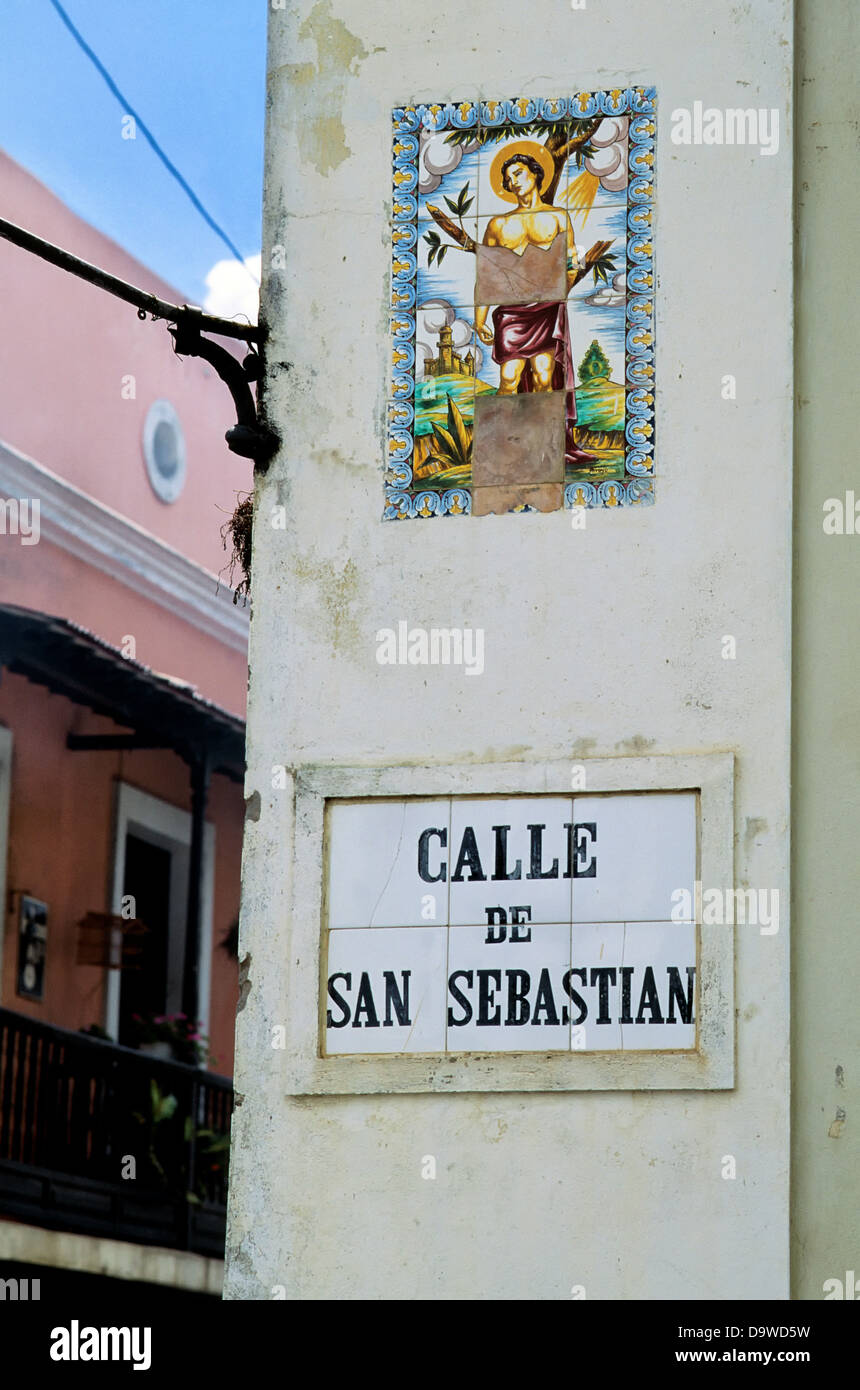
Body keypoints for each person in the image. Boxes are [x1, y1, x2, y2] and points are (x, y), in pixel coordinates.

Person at [474, 150, 594, 465]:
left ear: (535, 174)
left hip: (547, 308)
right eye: (508, 177)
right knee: (509, 378)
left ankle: (543, 447)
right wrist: (479, 318)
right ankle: (500, 445)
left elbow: (570, 262)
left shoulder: (557, 216)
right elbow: (486, 274)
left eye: (519, 173)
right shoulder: (499, 224)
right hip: (512, 312)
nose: (513, 181)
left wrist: (562, 289)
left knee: (543, 375)